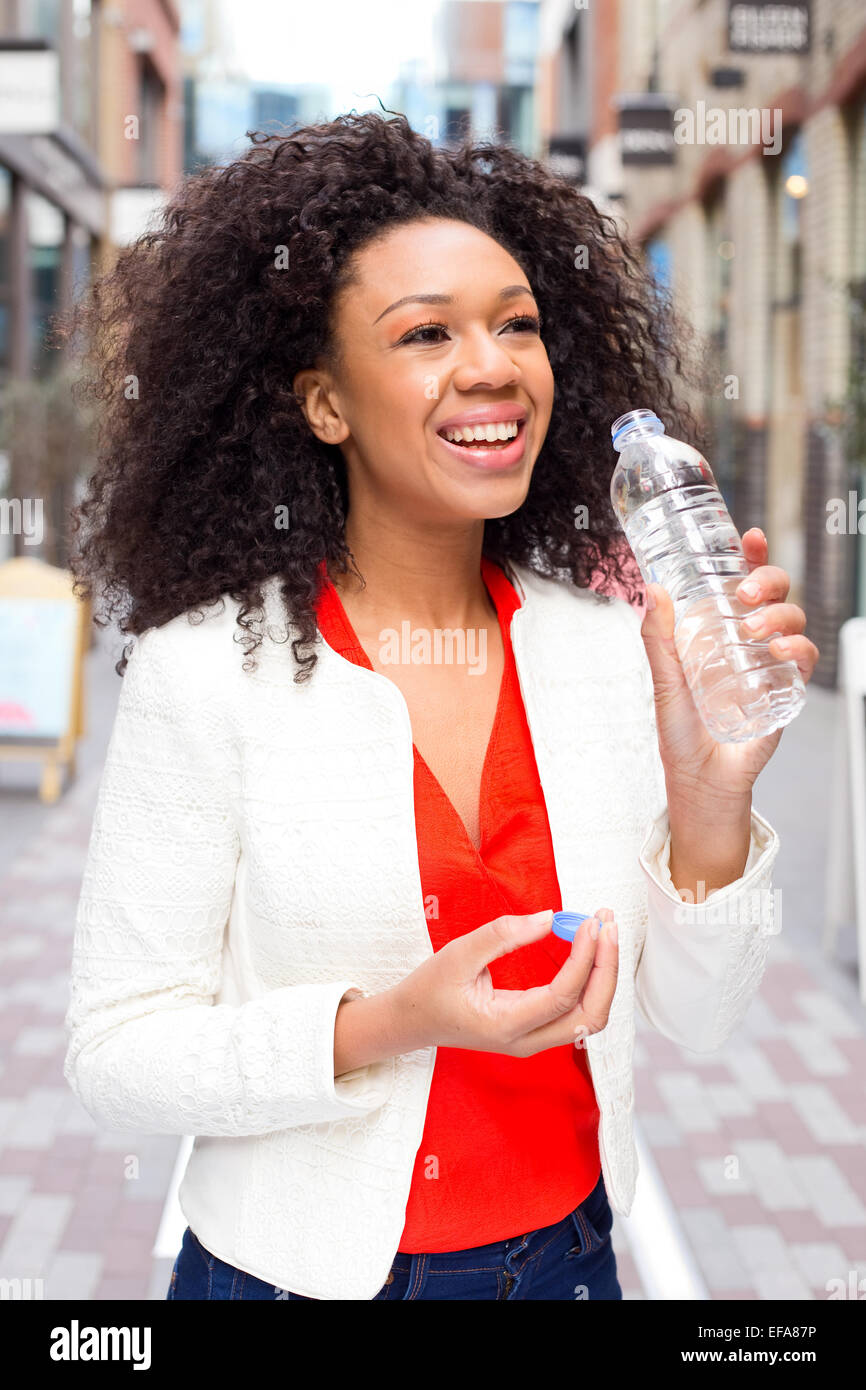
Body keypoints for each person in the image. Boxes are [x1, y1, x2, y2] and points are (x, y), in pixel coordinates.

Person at [60, 112, 818, 1301]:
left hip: (567, 1268)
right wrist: (388, 1020)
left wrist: (711, 805)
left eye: (517, 322)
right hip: (290, 1276)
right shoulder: (207, 671)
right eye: (424, 334)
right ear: (323, 403)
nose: (491, 365)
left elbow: (701, 1021)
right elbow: (115, 1054)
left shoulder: (608, 650)